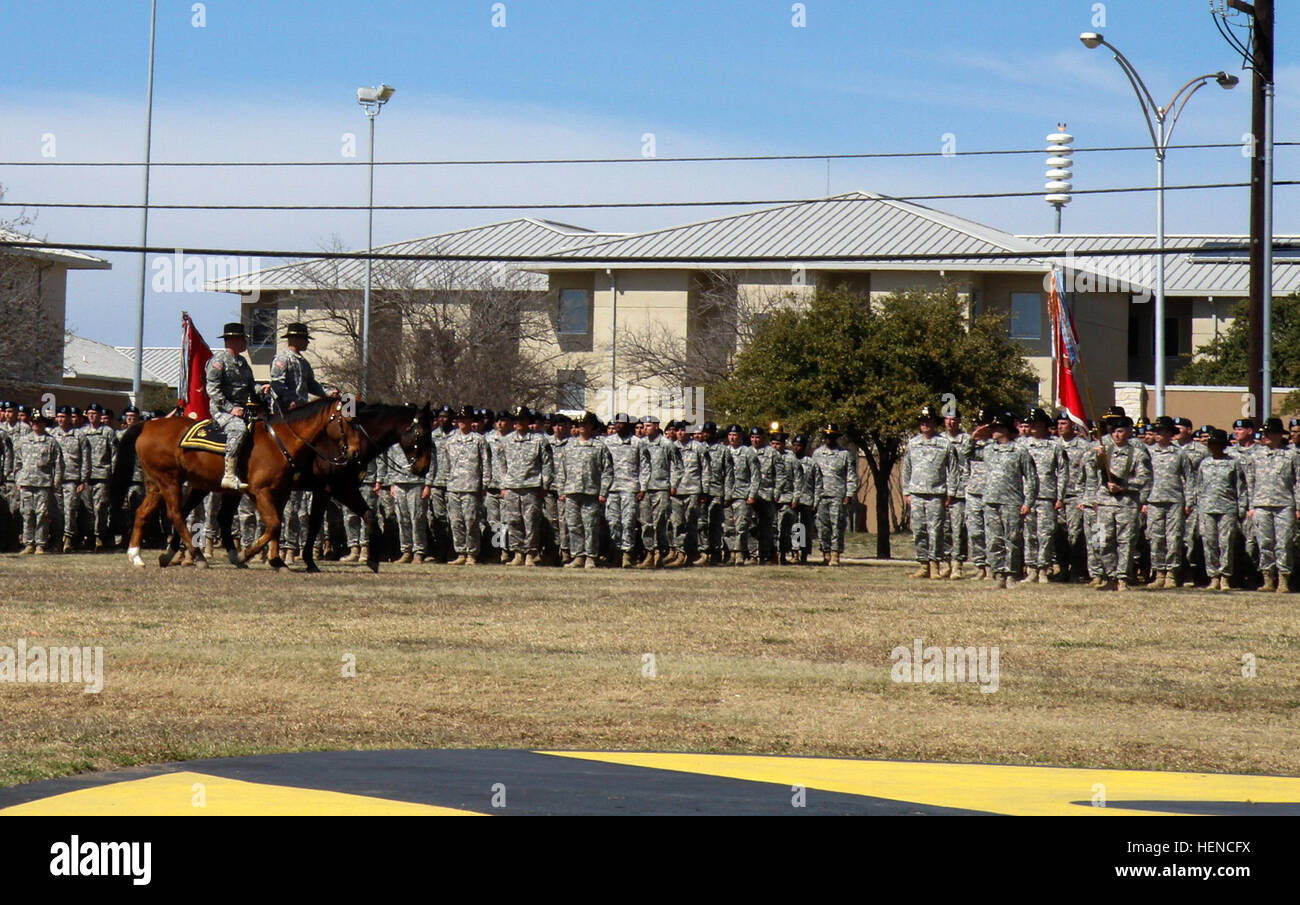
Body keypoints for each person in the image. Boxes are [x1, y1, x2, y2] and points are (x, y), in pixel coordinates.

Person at [966, 412, 1037, 589]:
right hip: (991, 501)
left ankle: (1012, 574)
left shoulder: (1019, 450)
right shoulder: (989, 449)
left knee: (1012, 539)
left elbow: (1031, 478)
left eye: (997, 428)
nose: (993, 431)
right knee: (993, 540)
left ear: (1006, 430)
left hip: (1012, 502)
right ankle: (998, 573)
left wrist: (1028, 502)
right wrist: (972, 439)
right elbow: (966, 454)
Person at [902, 405, 957, 579]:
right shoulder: (913, 443)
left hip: (936, 493)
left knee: (936, 531)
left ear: (935, 423)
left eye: (928, 421)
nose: (925, 424)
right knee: (919, 530)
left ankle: (935, 565)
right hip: (916, 493)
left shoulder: (945, 444)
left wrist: (951, 492)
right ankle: (923, 564)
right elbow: (906, 468)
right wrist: (906, 492)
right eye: (922, 421)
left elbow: (953, 470)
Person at [1246, 418, 1299, 593]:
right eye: (1263, 433)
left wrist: (1298, 506)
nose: (1264, 437)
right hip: (1261, 504)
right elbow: (1250, 482)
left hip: (1284, 504)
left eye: (1268, 433)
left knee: (1284, 543)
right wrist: (1251, 505)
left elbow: (1298, 482)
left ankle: (1283, 579)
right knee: (1265, 543)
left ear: (1278, 435)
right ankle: (1267, 579)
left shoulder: (1291, 455)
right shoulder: (1255, 455)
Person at [556, 411, 612, 569]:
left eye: (585, 424)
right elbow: (562, 470)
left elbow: (607, 471)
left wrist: (603, 492)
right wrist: (561, 491)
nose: (581, 427)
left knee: (591, 526)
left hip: (590, 492)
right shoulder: (569, 446)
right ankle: (578, 556)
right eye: (579, 424)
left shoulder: (599, 446)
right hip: (572, 492)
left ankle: (590, 557)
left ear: (591, 426)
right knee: (573, 525)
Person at [206, 322, 258, 491]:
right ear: (234, 340)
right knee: (238, 429)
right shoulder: (218, 362)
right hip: (221, 409)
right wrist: (230, 409)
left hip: (242, 409)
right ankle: (228, 475)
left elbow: (251, 386)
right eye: (243, 339)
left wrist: (263, 389)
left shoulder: (243, 362)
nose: (245, 343)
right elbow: (213, 390)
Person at [1194, 429, 1249, 592]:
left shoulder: (1233, 463)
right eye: (1212, 445)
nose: (1214, 448)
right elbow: (1199, 486)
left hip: (1227, 508)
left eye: (1218, 445)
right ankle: (1213, 576)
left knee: (1226, 542)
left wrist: (1242, 508)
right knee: (1209, 542)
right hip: (1207, 508)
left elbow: (1241, 487)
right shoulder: (1204, 463)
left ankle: (1225, 577)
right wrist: (1198, 507)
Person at [1142, 416, 1193, 589]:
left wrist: (1189, 501)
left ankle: (1171, 573)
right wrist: (1143, 501)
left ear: (1170, 433)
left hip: (1174, 500)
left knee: (1174, 538)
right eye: (1155, 431)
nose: (1157, 434)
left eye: (1161, 431)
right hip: (1154, 500)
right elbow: (1143, 478)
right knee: (1156, 538)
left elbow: (1189, 478)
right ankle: (1159, 572)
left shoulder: (1180, 453)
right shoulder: (1148, 453)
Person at [500, 404, 553, 566]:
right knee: (514, 521)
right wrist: (503, 485)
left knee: (531, 521)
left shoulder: (539, 440)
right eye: (516, 420)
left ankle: (530, 553)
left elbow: (547, 464)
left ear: (528, 421)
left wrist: (544, 486)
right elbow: (501, 465)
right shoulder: (507, 440)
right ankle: (518, 553)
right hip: (512, 487)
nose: (518, 423)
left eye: (522, 419)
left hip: (532, 486)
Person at [14, 409, 62, 554]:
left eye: (39, 422)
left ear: (44, 424)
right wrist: (18, 480)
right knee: (27, 514)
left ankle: (40, 544)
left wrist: (56, 484)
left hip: (44, 484)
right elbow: (18, 463)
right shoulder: (23, 441)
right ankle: (28, 544)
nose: (36, 425)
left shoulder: (51, 442)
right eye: (34, 422)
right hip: (26, 483)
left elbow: (58, 465)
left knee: (42, 515)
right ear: (30, 423)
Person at [810, 424, 857, 566]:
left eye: (832, 436)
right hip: (821, 495)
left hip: (838, 495)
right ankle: (826, 554)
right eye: (827, 436)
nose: (829, 439)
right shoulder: (817, 454)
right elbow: (812, 475)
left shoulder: (844, 454)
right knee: (822, 526)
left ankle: (835, 555)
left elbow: (851, 476)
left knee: (837, 526)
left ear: (836, 437)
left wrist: (849, 494)